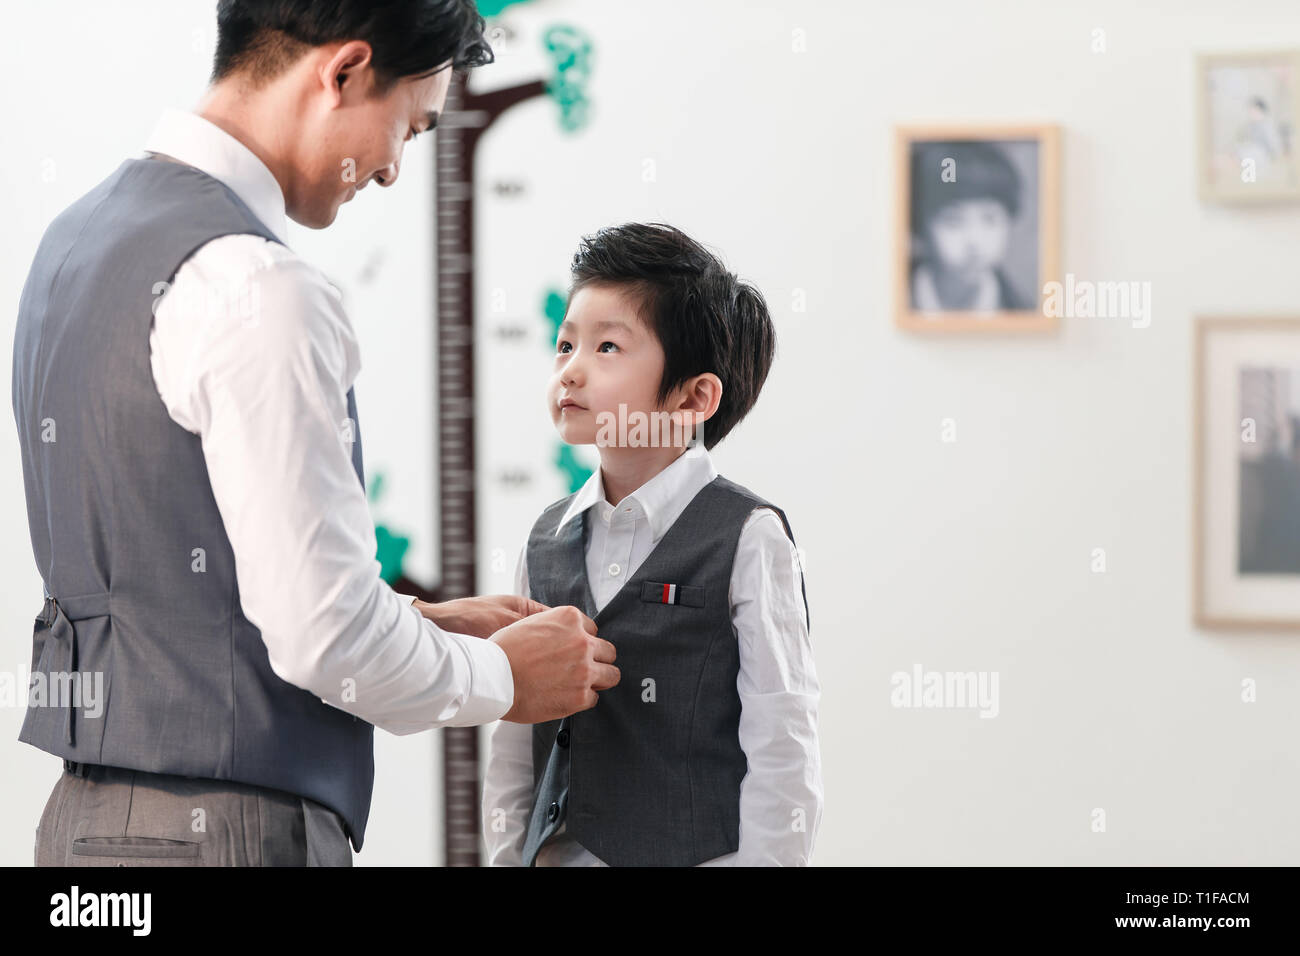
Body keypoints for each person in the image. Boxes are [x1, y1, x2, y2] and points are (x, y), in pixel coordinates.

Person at [13, 0, 617, 867]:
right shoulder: (260, 286)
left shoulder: (70, 244)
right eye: (407, 126)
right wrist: (505, 679)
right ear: (343, 72)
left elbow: (192, 595)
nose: (393, 169)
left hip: (80, 829)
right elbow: (324, 639)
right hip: (230, 832)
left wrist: (423, 624)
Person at [480, 222, 823, 866]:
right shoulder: (546, 539)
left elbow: (783, 743)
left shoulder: (748, 536)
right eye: (564, 344)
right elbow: (514, 738)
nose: (571, 371)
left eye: (607, 347)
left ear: (696, 396)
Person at [909, 140, 1029, 313]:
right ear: (921, 224)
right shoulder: (888, 297)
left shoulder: (1021, 311)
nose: (974, 241)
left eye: (990, 219)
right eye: (953, 221)